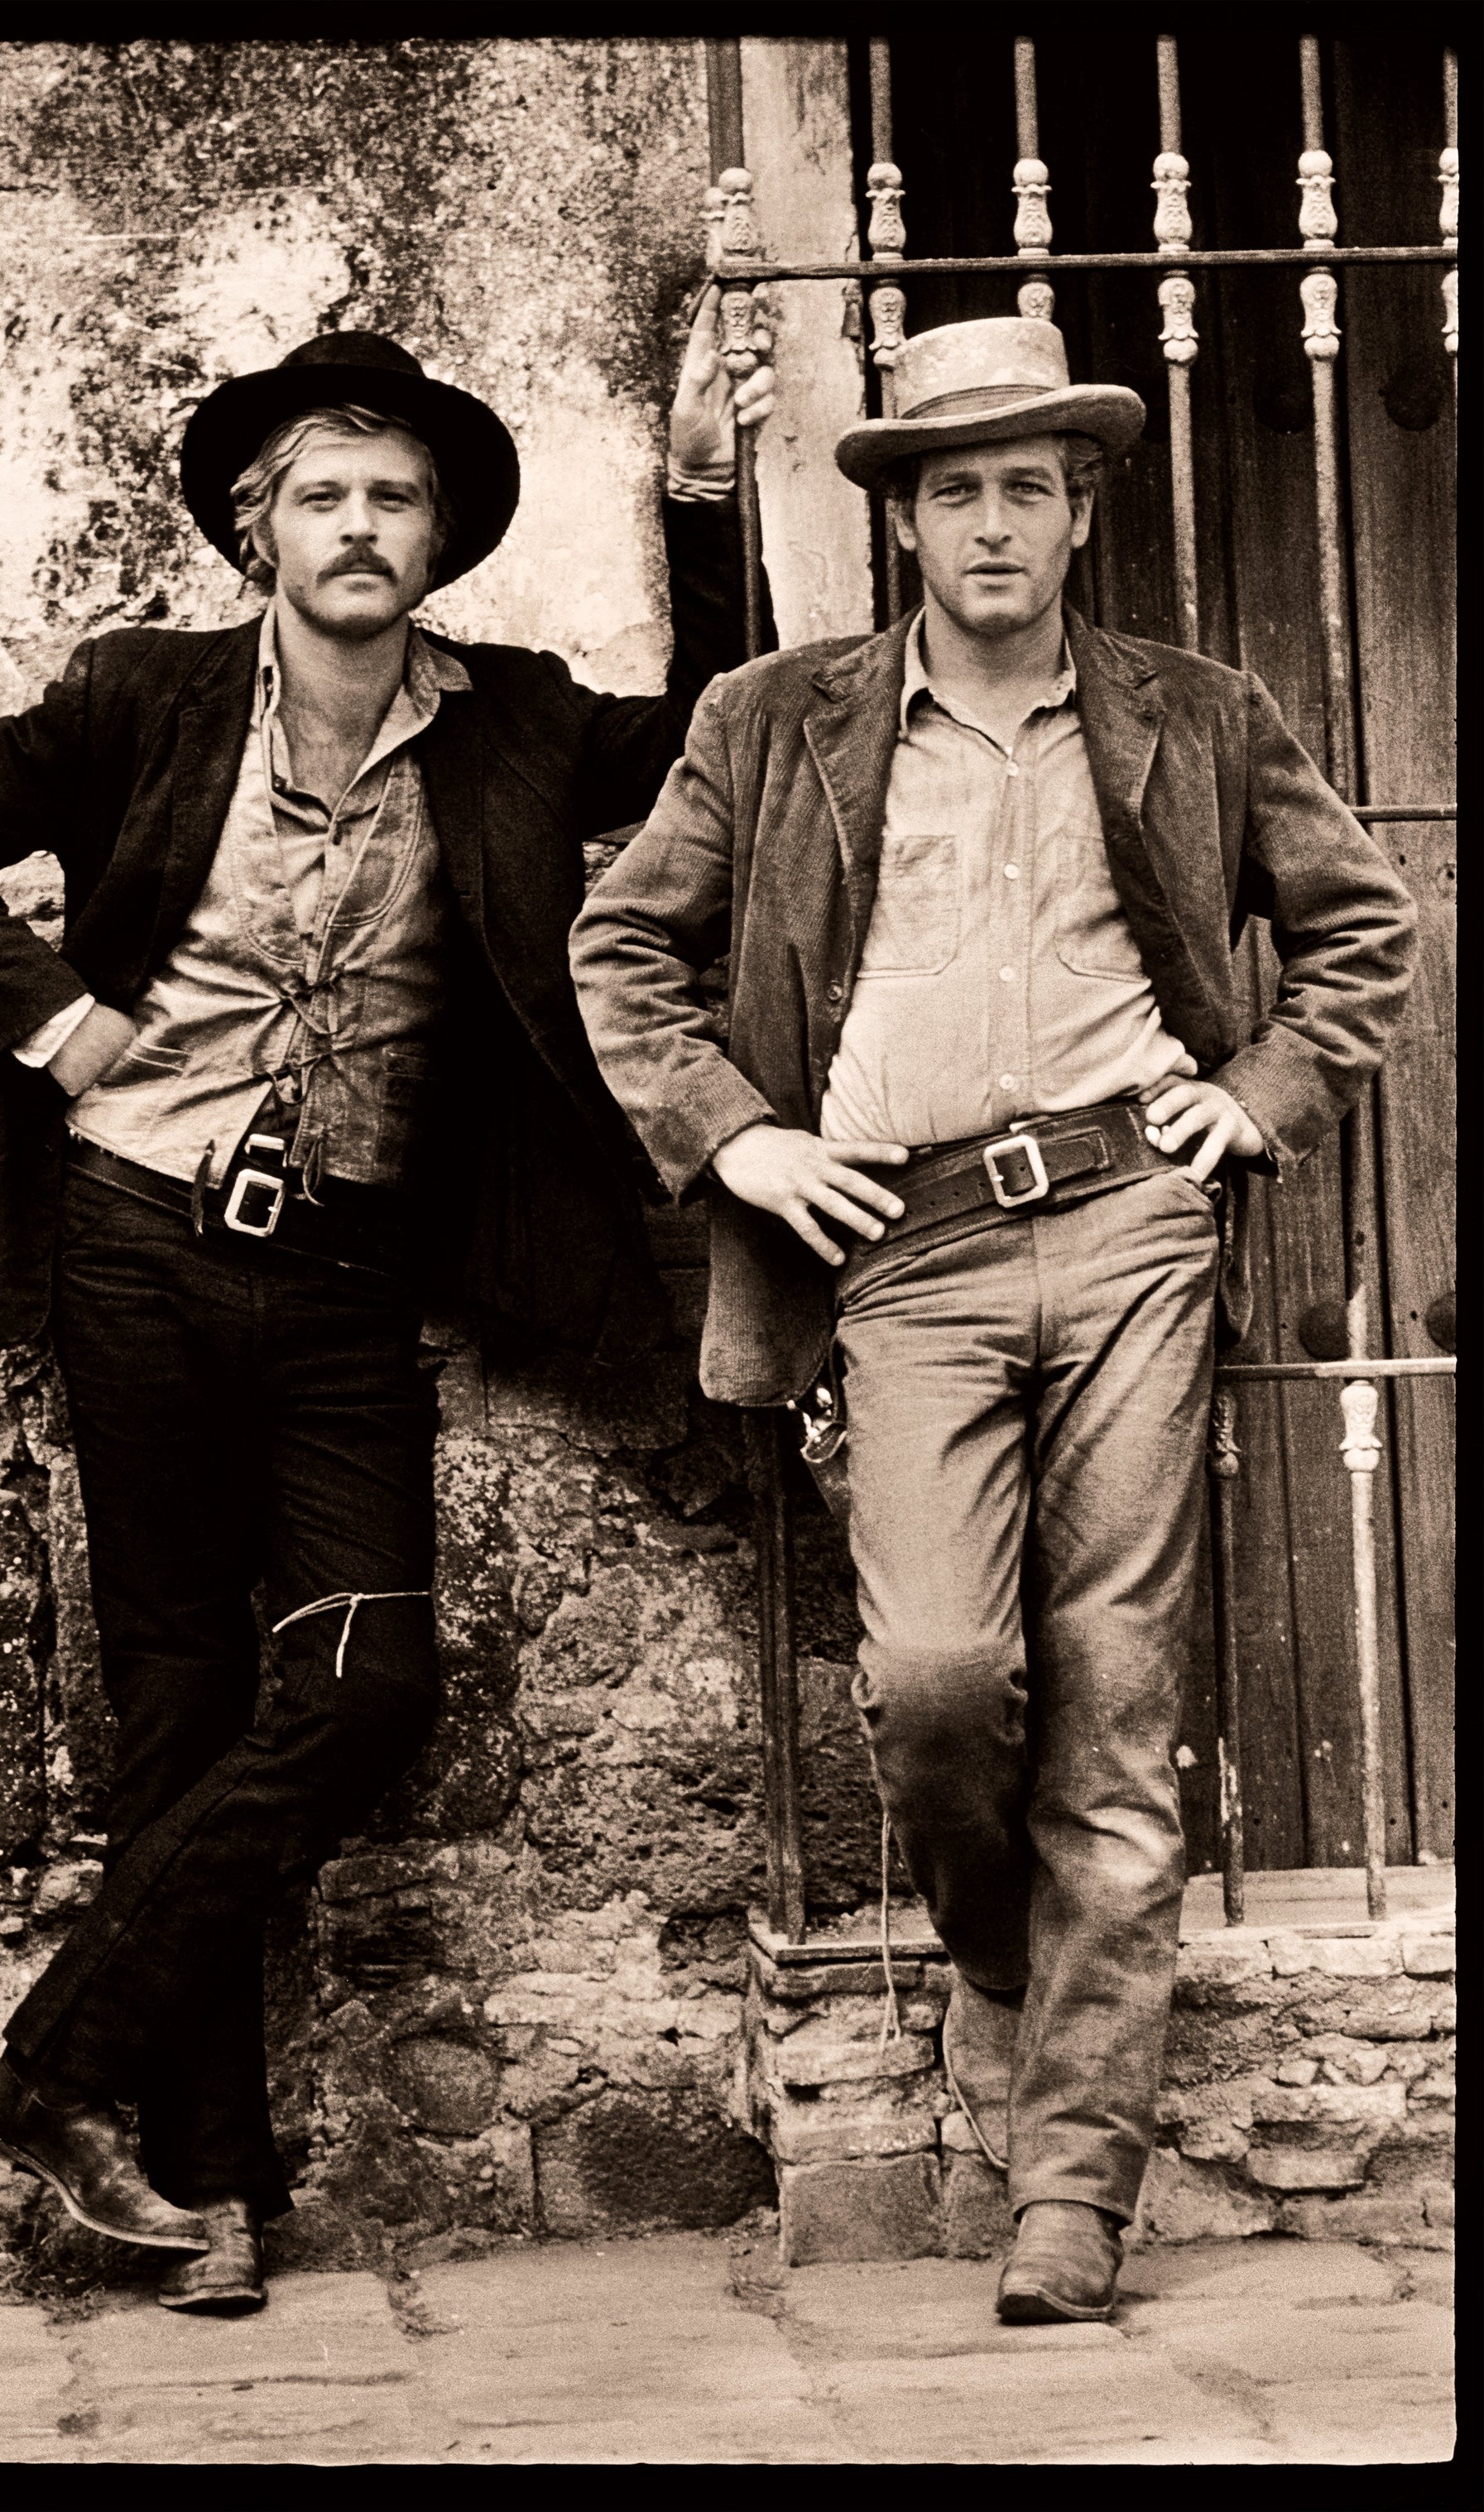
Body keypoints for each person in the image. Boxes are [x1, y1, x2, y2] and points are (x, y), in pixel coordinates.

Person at [0, 295, 773, 2314]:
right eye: (324, 494)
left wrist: (706, 483)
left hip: (351, 1281)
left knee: (363, 1689)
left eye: (398, 495)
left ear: (441, 536)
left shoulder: (517, 717)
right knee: (175, 1714)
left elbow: (730, 718)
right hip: (135, 1252)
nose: (360, 524)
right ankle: (213, 2190)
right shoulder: (140, 699)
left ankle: (49, 2071)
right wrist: (61, 1027)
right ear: (260, 529)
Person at [569, 314, 1416, 2324]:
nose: (992, 523)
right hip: (899, 1251)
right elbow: (625, 940)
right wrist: (739, 1141)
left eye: (1027, 486)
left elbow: (1359, 926)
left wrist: (1262, 1096)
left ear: (1081, 508)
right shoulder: (778, 720)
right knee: (940, 1683)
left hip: (1132, 1219)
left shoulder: (1193, 711)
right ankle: (1012, 1958)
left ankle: (1072, 2194)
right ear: (905, 519)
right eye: (954, 488)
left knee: (1115, 1703)